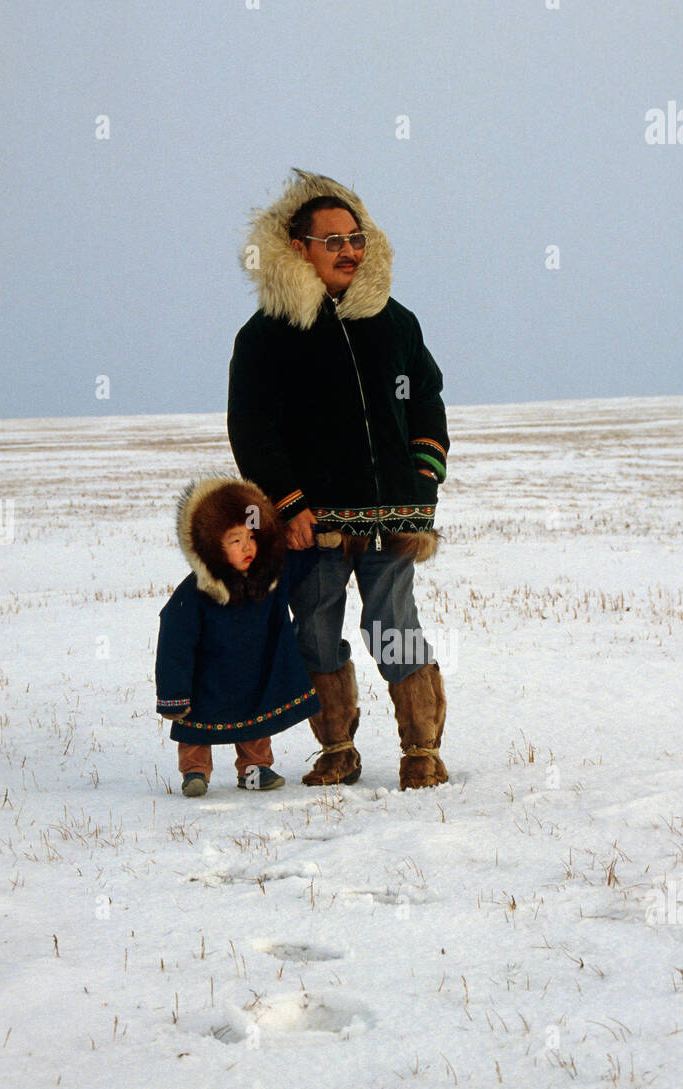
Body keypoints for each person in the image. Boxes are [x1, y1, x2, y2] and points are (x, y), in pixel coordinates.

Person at [227, 168, 450, 791]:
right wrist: (288, 504)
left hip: (390, 519)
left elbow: (426, 399)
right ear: (298, 248)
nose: (350, 250)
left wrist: (424, 475)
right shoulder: (268, 336)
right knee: (317, 634)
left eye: (356, 237)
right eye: (334, 241)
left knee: (394, 628)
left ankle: (421, 750)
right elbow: (252, 428)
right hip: (312, 525)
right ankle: (338, 749)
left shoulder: (396, 322)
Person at [155, 475, 320, 796]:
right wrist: (174, 694)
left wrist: (319, 543)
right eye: (235, 540)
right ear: (210, 546)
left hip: (254, 676)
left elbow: (299, 564)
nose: (247, 547)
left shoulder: (268, 579)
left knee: (257, 724)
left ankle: (255, 770)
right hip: (207, 680)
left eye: (251, 537)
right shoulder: (194, 594)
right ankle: (195, 773)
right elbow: (174, 645)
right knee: (195, 727)